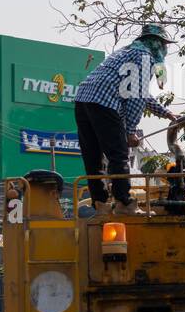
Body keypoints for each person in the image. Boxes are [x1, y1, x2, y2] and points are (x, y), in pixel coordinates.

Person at [73, 23, 178, 216]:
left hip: (82, 100)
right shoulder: (146, 59)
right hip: (104, 102)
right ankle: (124, 202)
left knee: (93, 158)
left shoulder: (126, 52)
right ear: (157, 44)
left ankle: (100, 204)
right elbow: (136, 99)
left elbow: (140, 93)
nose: (165, 50)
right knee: (119, 154)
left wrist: (165, 113)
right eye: (165, 45)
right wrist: (130, 131)